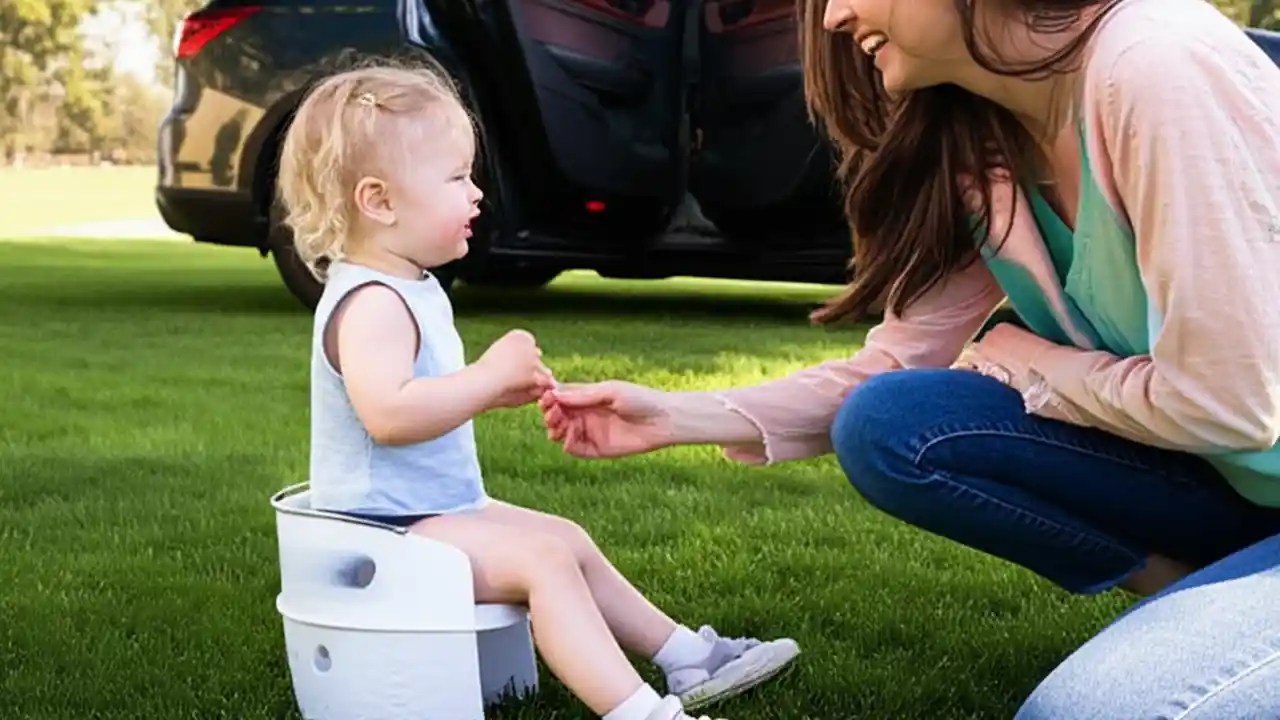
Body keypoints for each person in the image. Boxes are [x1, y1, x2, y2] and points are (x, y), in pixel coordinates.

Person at [540, 0, 1280, 716]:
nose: (831, 17)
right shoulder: (985, 141)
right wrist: (673, 415)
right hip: (1240, 490)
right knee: (894, 423)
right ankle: (1206, 599)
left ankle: (1217, 620)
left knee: (1089, 711)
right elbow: (893, 370)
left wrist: (1029, 361)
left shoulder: (1155, 64)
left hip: (1237, 448)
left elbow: (1228, 402)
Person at [274, 63, 801, 720]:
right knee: (544, 562)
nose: (477, 196)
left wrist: (489, 392)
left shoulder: (409, 285)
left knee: (566, 536)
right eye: (456, 178)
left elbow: (423, 400)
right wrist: (487, 378)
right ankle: (643, 713)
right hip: (381, 536)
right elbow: (388, 415)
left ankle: (686, 655)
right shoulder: (372, 303)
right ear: (379, 201)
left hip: (428, 512)